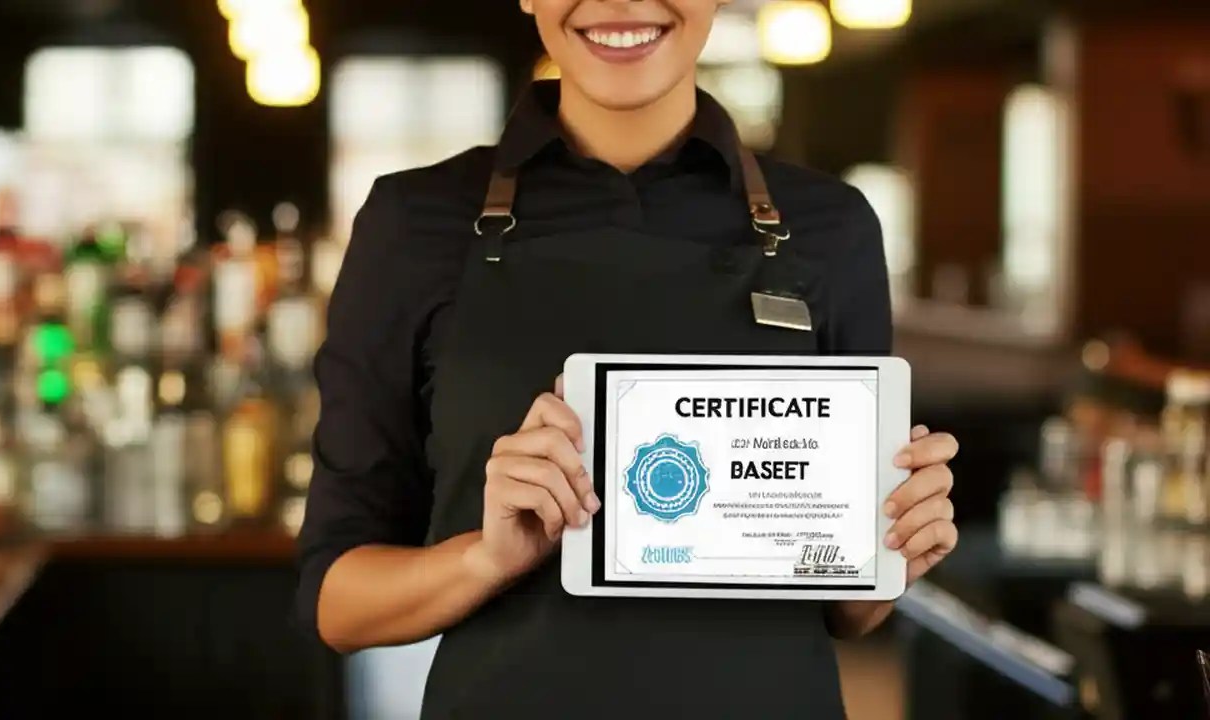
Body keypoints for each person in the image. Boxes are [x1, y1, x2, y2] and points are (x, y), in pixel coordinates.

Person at [297, 1, 960, 717]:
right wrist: (486, 560)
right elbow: (337, 601)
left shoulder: (833, 228)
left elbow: (843, 612)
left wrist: (895, 549)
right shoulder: (413, 222)